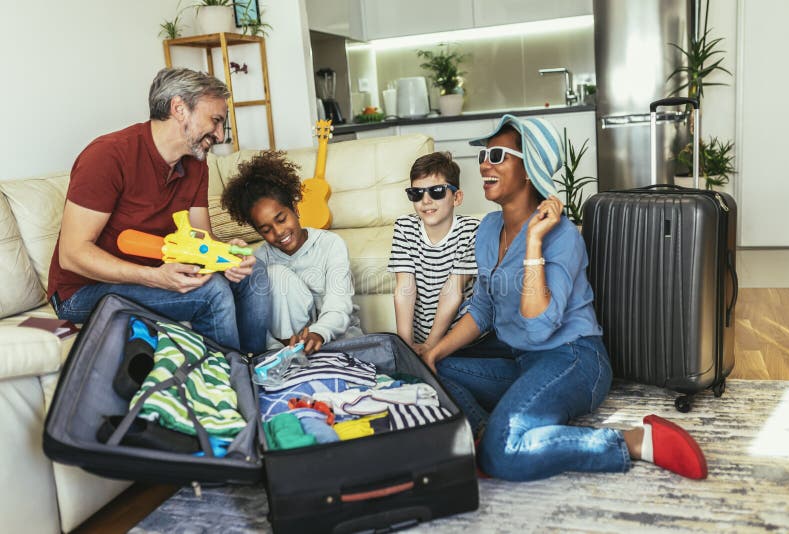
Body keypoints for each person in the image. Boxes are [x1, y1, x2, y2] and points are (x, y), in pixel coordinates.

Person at [421, 114, 708, 481]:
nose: (483, 165)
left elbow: (539, 325)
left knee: (504, 454)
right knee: (435, 371)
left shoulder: (561, 236)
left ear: (529, 169)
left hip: (573, 359)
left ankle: (636, 440)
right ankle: (484, 433)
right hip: (520, 360)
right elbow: (484, 307)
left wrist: (533, 242)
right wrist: (433, 351)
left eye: (497, 155)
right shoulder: (489, 228)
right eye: (482, 156)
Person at [48, 68, 270, 354]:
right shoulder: (107, 156)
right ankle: (229, 383)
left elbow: (202, 240)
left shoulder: (195, 163)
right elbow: (72, 255)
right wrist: (154, 277)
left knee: (254, 273)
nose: (219, 134)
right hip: (80, 292)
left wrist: (227, 255)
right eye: (215, 121)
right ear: (179, 108)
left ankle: (256, 369)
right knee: (211, 292)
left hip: (157, 271)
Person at [220, 150, 362, 355]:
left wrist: (318, 333)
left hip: (335, 337)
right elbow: (259, 321)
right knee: (271, 274)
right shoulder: (261, 258)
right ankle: (293, 357)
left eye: (281, 219)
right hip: (289, 348)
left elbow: (339, 304)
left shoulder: (331, 244)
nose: (278, 233)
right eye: (266, 230)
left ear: (295, 209)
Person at [388, 152, 480, 355]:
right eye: (417, 193)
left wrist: (432, 345)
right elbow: (405, 289)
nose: (426, 200)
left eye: (437, 191)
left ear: (456, 197)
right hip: (420, 334)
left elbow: (452, 292)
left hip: (457, 338)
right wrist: (406, 347)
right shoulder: (405, 227)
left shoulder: (471, 231)